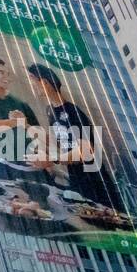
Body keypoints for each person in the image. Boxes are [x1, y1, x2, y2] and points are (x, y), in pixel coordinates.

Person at [25, 63, 116, 208]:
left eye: (33, 81)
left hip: (96, 183)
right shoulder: (51, 111)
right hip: (77, 182)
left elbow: (86, 151)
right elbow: (56, 142)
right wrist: (27, 126)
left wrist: (51, 159)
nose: (32, 86)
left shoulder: (73, 112)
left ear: (45, 82)